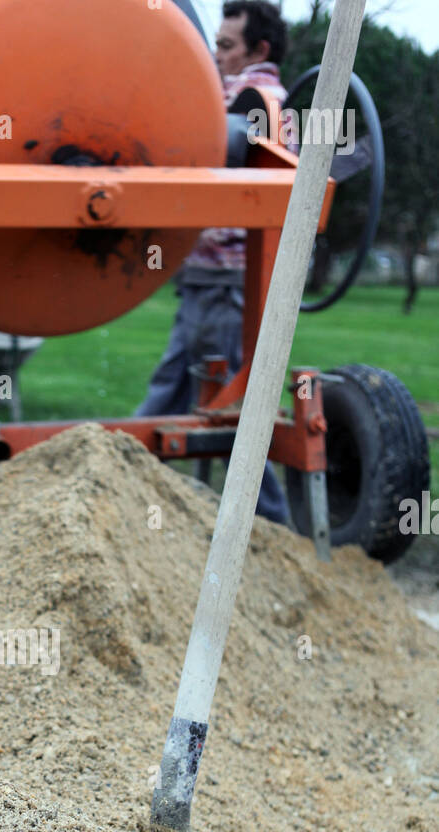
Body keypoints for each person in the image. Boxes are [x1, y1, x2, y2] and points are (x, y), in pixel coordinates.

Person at [135, 1, 291, 525]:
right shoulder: (246, 97)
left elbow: (189, 131)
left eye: (225, 46)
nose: (216, 55)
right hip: (209, 276)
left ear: (259, 50)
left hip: (229, 279)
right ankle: (118, 483)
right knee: (177, 389)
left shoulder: (256, 100)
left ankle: (272, 527)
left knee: (228, 409)